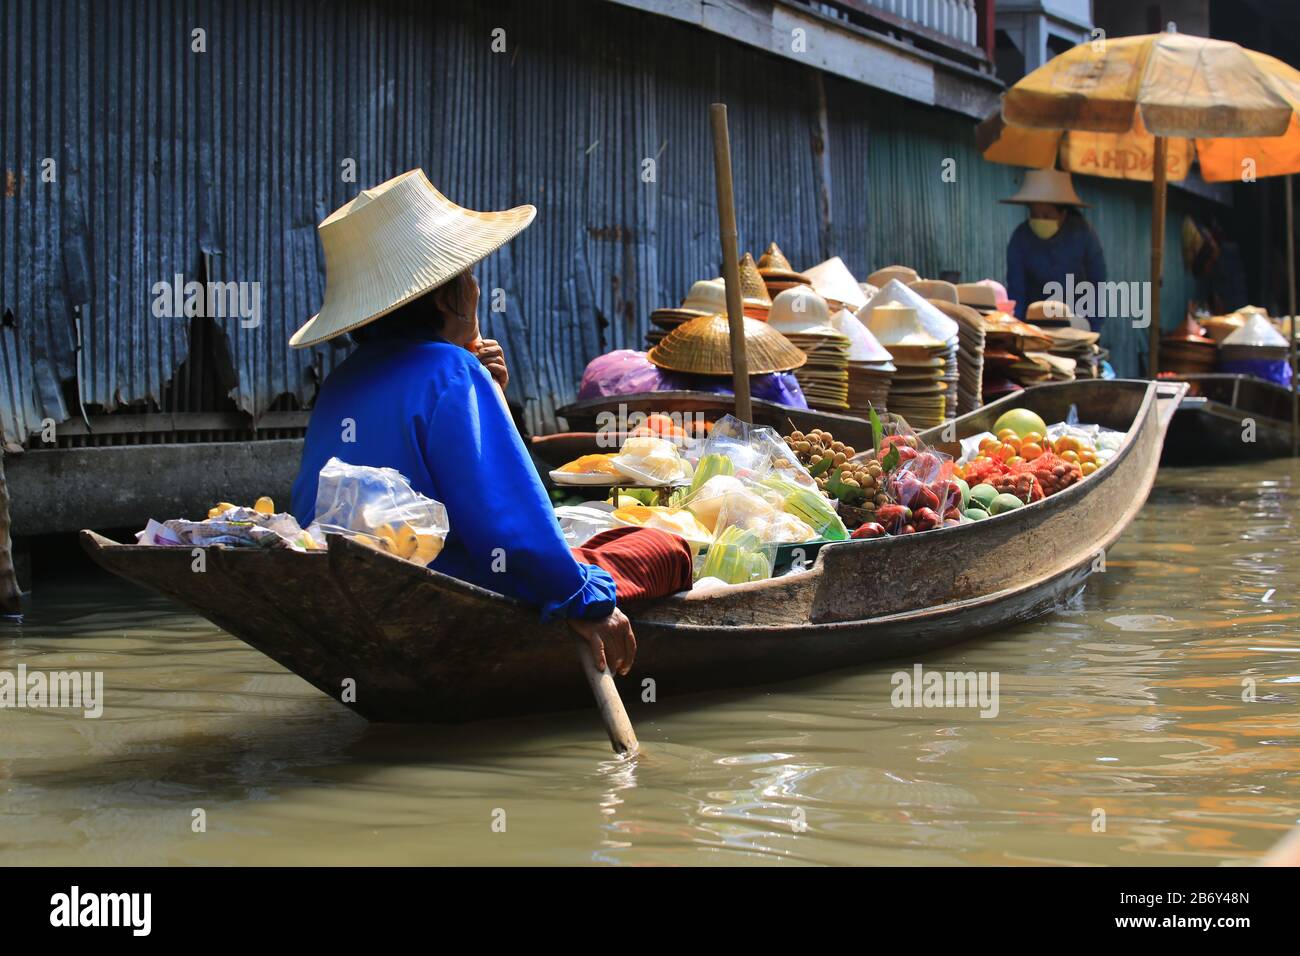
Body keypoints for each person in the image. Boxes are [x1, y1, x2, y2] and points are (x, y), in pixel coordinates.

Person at [288, 170, 693, 675]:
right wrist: (585, 603)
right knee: (664, 547)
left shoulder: (341, 383)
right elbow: (511, 534)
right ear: (444, 297)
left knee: (592, 543)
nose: (477, 290)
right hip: (463, 579)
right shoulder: (451, 370)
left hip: (372, 578)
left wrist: (488, 389)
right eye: (469, 278)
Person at [1003, 169, 1107, 331]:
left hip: (1077, 326)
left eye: (1047, 215)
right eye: (1034, 214)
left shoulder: (1085, 235)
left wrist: (1093, 331)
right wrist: (1018, 331)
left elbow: (1098, 285)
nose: (1040, 220)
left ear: (1063, 214)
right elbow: (1017, 291)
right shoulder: (1020, 238)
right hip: (1035, 327)